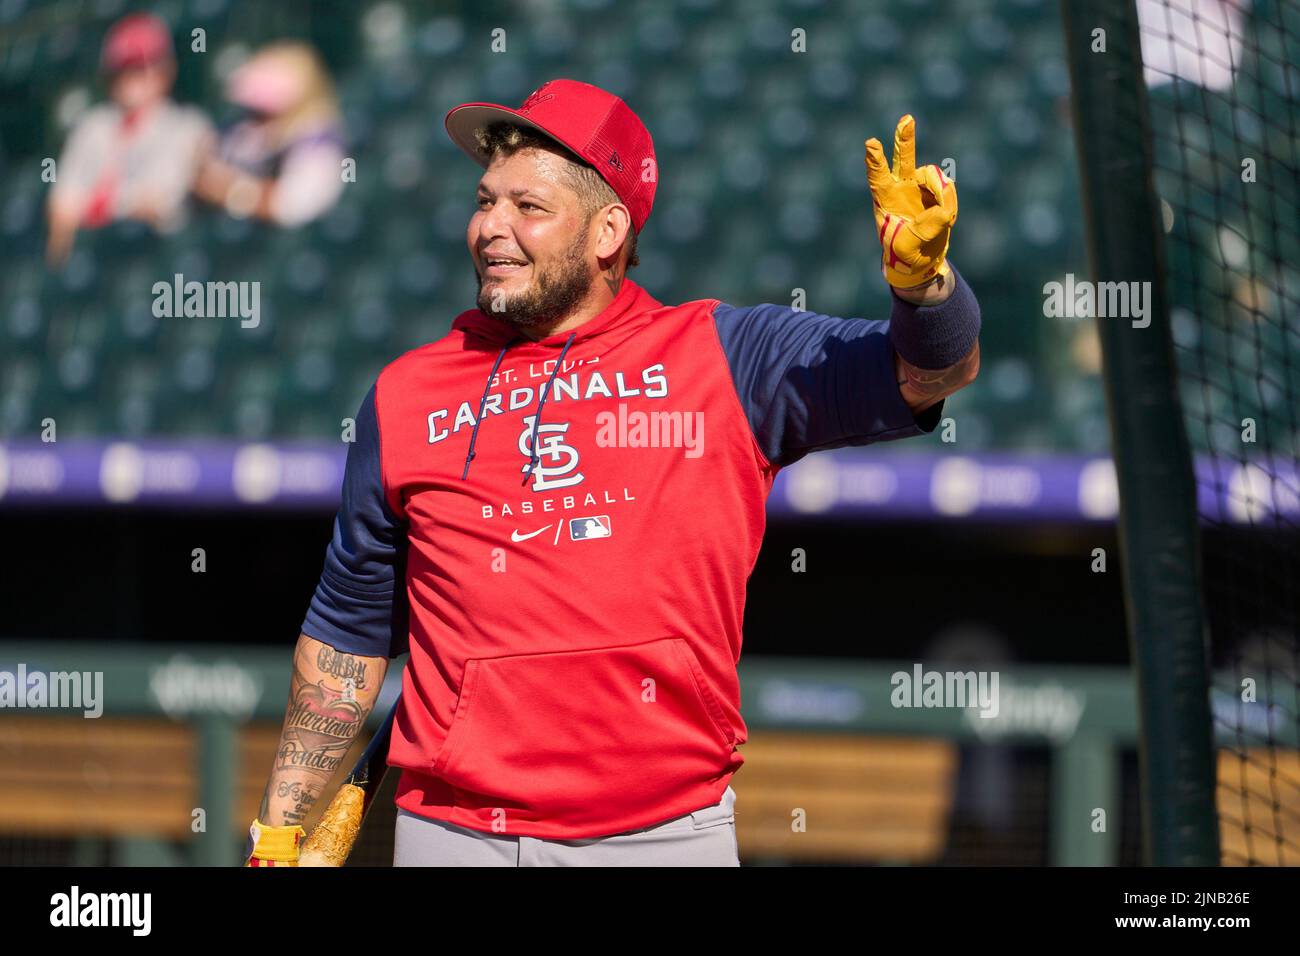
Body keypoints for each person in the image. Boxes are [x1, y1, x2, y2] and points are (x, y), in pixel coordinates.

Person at [243, 79, 980, 867]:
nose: (491, 227)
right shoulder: (405, 393)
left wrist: (922, 289)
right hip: (454, 836)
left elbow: (931, 371)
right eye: (485, 201)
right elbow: (347, 639)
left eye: (528, 207)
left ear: (607, 232)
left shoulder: (724, 356)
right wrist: (281, 827)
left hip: (663, 836)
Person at [45, 13, 214, 265]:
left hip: (162, 258)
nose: (131, 78)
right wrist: (121, 203)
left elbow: (157, 204)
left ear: (165, 70)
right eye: (123, 68)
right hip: (98, 259)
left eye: (141, 66)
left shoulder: (188, 126)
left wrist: (96, 204)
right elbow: (61, 206)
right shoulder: (92, 126)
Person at [193, 42, 345, 227]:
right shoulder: (243, 127)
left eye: (263, 110)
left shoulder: (318, 145)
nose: (255, 115)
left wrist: (231, 191)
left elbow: (292, 206)